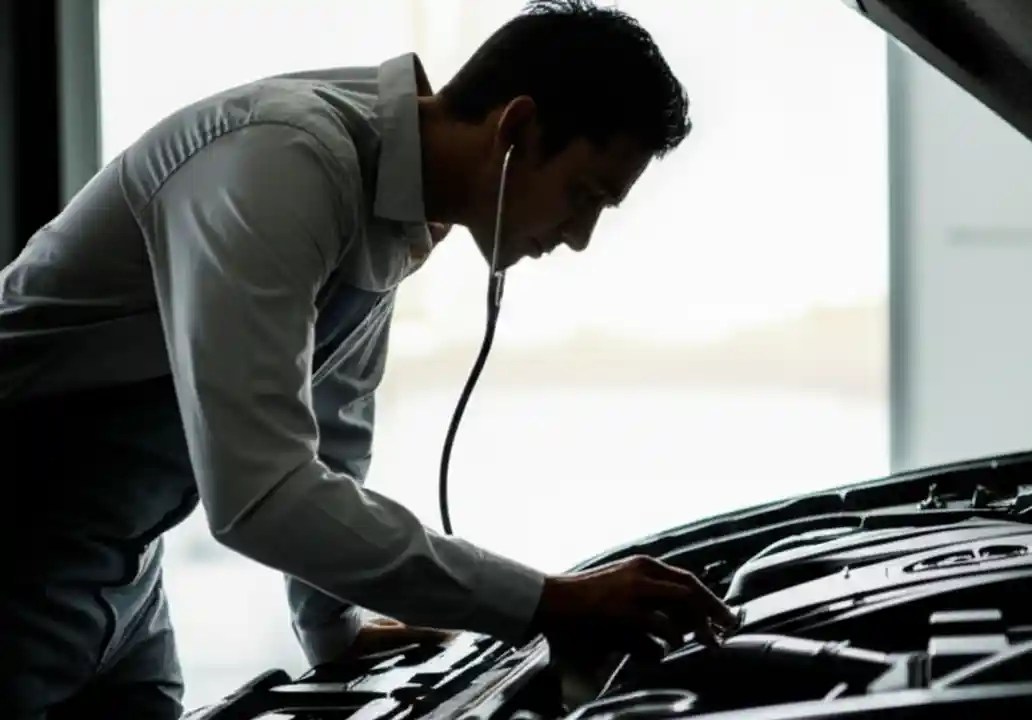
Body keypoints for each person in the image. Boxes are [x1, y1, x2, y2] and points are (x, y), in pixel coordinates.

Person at [0, 1, 737, 717]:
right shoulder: (284, 160)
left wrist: (334, 632)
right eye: (585, 195)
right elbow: (261, 494)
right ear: (516, 127)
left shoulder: (402, 198)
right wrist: (550, 600)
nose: (579, 238)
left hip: (124, 577)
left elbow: (331, 433)